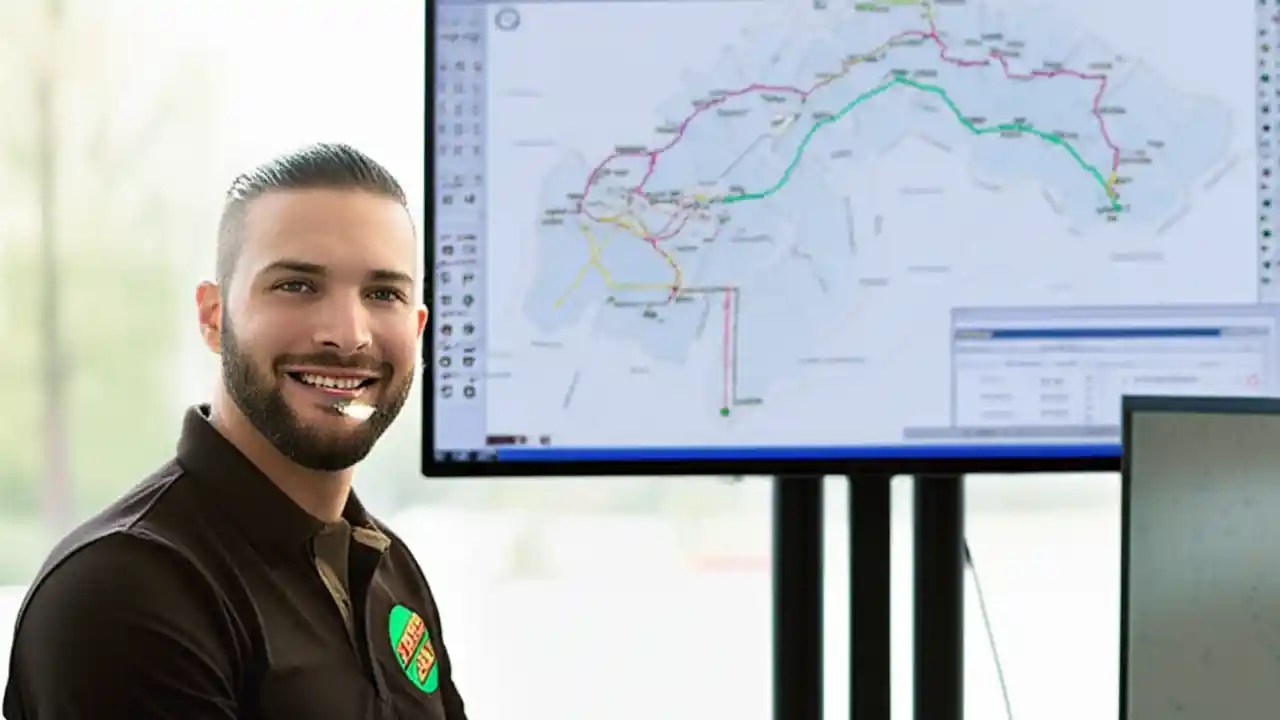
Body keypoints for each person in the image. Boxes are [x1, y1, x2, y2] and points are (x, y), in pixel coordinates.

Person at [2, 143, 466, 720]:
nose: (348, 336)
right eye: (297, 285)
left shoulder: (388, 567)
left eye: (383, 294)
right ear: (213, 317)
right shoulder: (125, 590)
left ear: (418, 328)